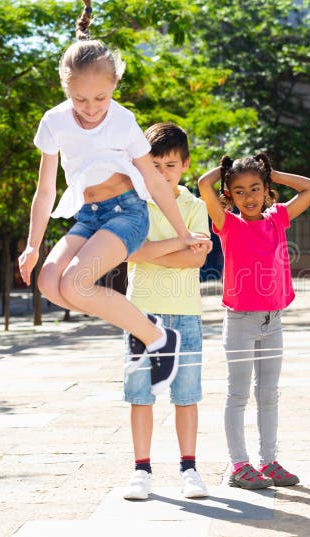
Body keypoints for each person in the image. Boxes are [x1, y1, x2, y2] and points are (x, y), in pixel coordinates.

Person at [17, 1, 210, 394]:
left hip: (127, 214)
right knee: (50, 283)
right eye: (80, 99)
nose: (90, 109)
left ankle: (156, 337)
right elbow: (46, 189)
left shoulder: (123, 121)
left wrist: (181, 231)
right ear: (65, 88)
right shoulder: (53, 122)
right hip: (89, 216)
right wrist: (32, 245)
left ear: (114, 87)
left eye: (100, 98)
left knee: (76, 283)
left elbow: (154, 182)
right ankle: (145, 329)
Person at [198, 153, 310, 489]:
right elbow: (202, 185)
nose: (249, 197)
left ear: (267, 190)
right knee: (238, 394)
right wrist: (225, 171)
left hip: (273, 321)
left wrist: (273, 172)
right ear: (229, 195)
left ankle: (269, 461)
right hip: (240, 322)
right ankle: (239, 465)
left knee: (269, 394)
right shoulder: (227, 224)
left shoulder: (277, 218)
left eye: (255, 188)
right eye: (239, 191)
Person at [121, 122, 212, 500]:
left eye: (170, 165)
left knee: (186, 395)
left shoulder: (195, 206)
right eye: (154, 165)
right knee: (140, 395)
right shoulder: (133, 205)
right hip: (140, 314)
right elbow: (133, 252)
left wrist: (163, 251)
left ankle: (189, 468)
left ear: (185, 165)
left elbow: (194, 262)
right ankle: (141, 470)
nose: (162, 172)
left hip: (185, 313)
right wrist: (180, 240)